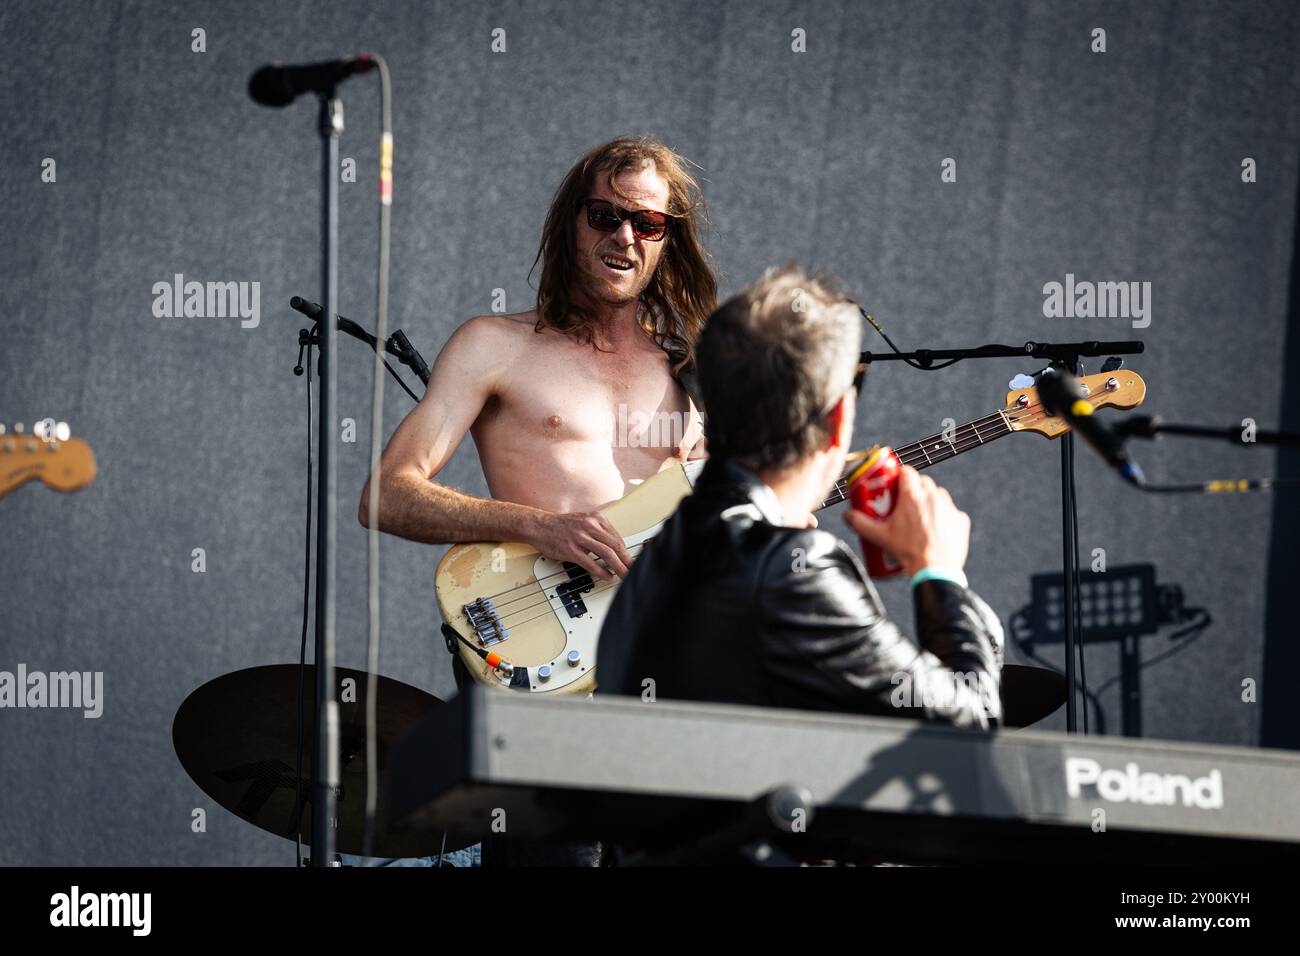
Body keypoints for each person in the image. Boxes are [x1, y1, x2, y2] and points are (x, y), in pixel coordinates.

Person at [355, 137, 717, 865]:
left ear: (667, 241)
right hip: (546, 670)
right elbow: (387, 495)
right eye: (605, 216)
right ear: (571, 224)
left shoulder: (693, 371)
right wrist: (539, 525)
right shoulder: (496, 345)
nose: (624, 236)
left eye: (647, 224)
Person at [598, 265, 1003, 731]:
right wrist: (941, 575)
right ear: (838, 418)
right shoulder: (793, 570)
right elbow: (971, 725)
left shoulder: (671, 544)